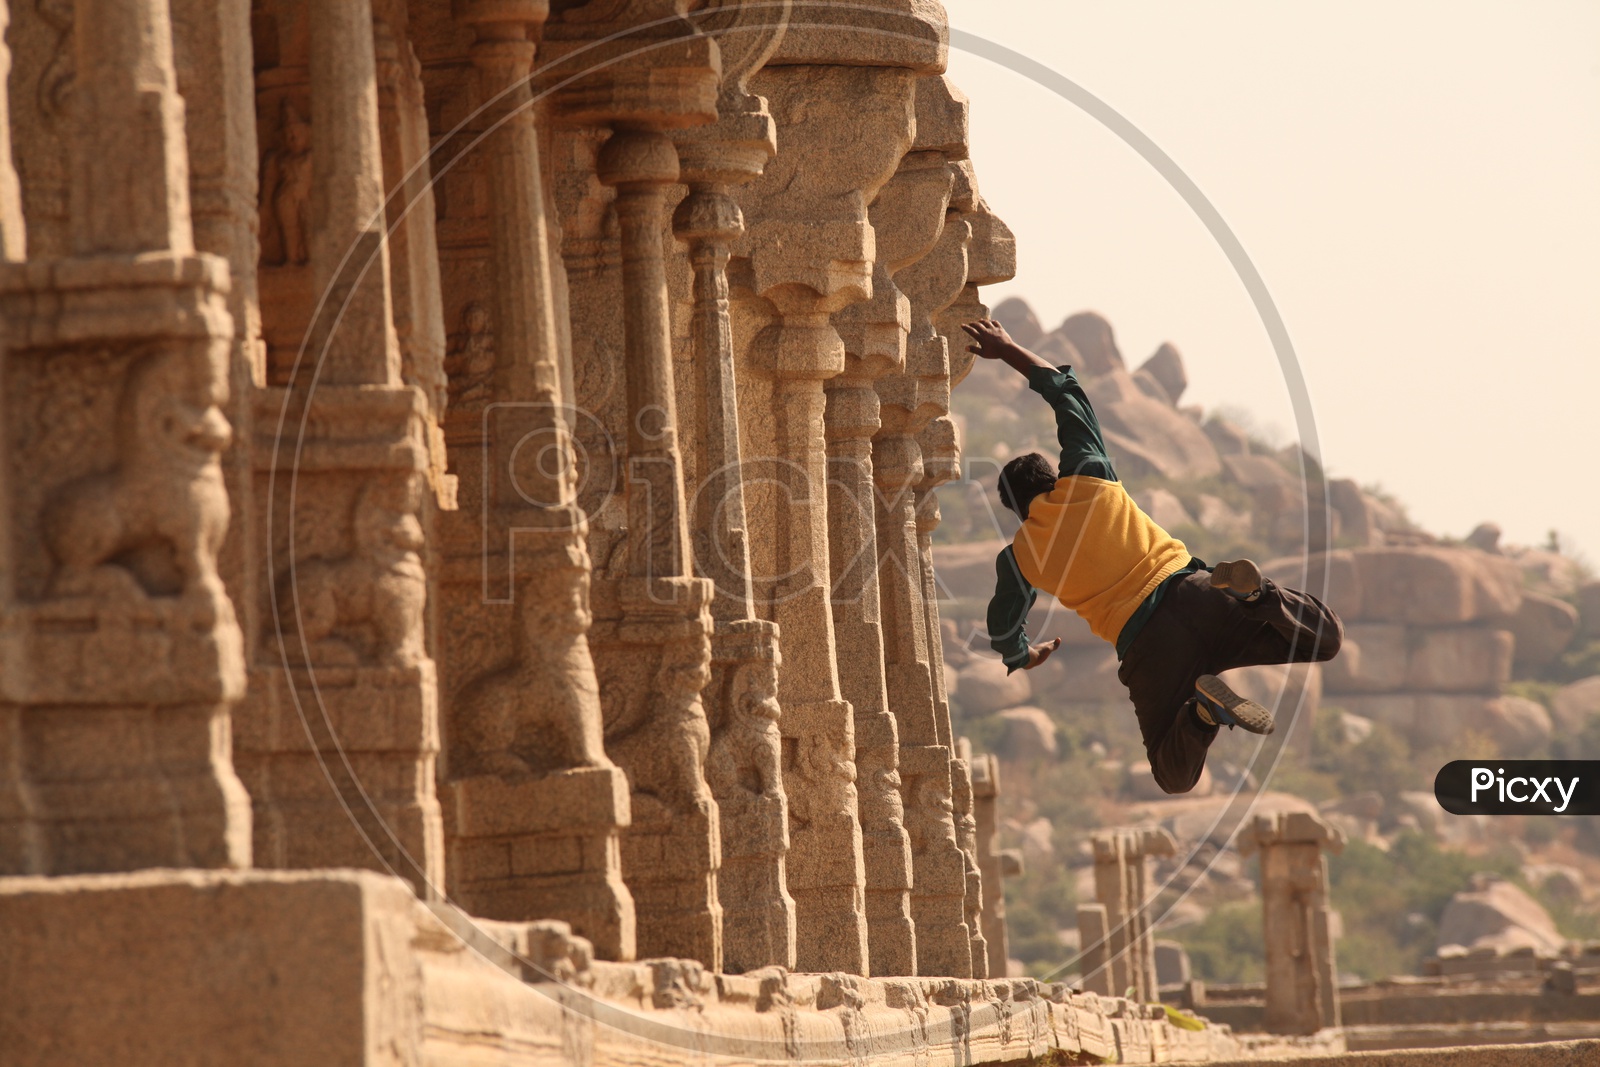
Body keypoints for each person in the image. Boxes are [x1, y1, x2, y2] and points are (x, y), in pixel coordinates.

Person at [960, 318, 1343, 795]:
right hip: (1198, 592)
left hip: (1149, 647)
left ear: (1018, 511)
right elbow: (1066, 392)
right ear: (1051, 479)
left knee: (1174, 774)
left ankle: (1202, 713)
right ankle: (1259, 595)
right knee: (1322, 639)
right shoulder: (1087, 475)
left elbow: (1002, 628)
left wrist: (1024, 654)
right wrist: (1009, 347)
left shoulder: (1020, 556)